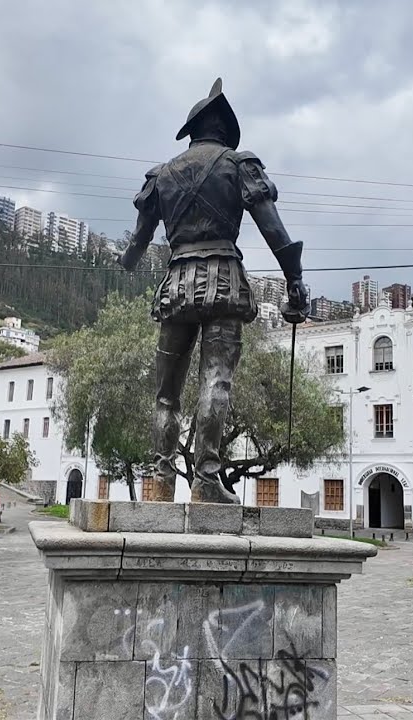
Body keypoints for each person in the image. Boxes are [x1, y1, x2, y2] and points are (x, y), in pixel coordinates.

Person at [117, 77, 308, 504]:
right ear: (223, 127)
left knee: (165, 391)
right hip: (223, 281)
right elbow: (275, 232)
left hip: (176, 286)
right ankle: (205, 478)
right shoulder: (238, 165)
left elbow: (136, 245)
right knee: (216, 381)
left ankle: (161, 479)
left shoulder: (160, 175)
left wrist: (126, 262)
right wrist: (294, 283)